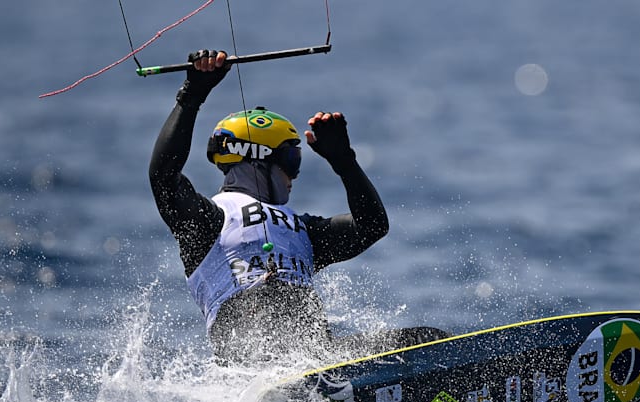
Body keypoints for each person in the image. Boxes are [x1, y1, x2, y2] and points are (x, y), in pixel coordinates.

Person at [149, 49, 445, 363]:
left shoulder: (303, 230)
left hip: (318, 361)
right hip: (253, 368)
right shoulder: (208, 221)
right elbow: (163, 175)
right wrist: (192, 94)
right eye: (291, 160)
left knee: (429, 343)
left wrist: (344, 161)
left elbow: (372, 226)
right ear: (255, 157)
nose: (294, 174)